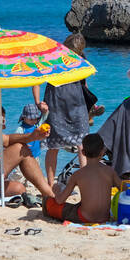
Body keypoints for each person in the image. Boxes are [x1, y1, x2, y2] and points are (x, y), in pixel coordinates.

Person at [32, 33, 98, 181]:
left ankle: (86, 182)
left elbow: (84, 83)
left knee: (82, 144)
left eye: (76, 53)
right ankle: (50, 184)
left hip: (77, 105)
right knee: (53, 145)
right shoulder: (52, 59)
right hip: (55, 104)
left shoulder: (82, 59)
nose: (73, 56)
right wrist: (37, 102)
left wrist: (89, 104)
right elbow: (37, 78)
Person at [44, 133, 118, 224]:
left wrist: (56, 192)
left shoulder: (78, 174)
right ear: (103, 152)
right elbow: (125, 189)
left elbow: (60, 200)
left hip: (84, 217)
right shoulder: (110, 171)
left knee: (48, 202)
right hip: (105, 217)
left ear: (83, 152)